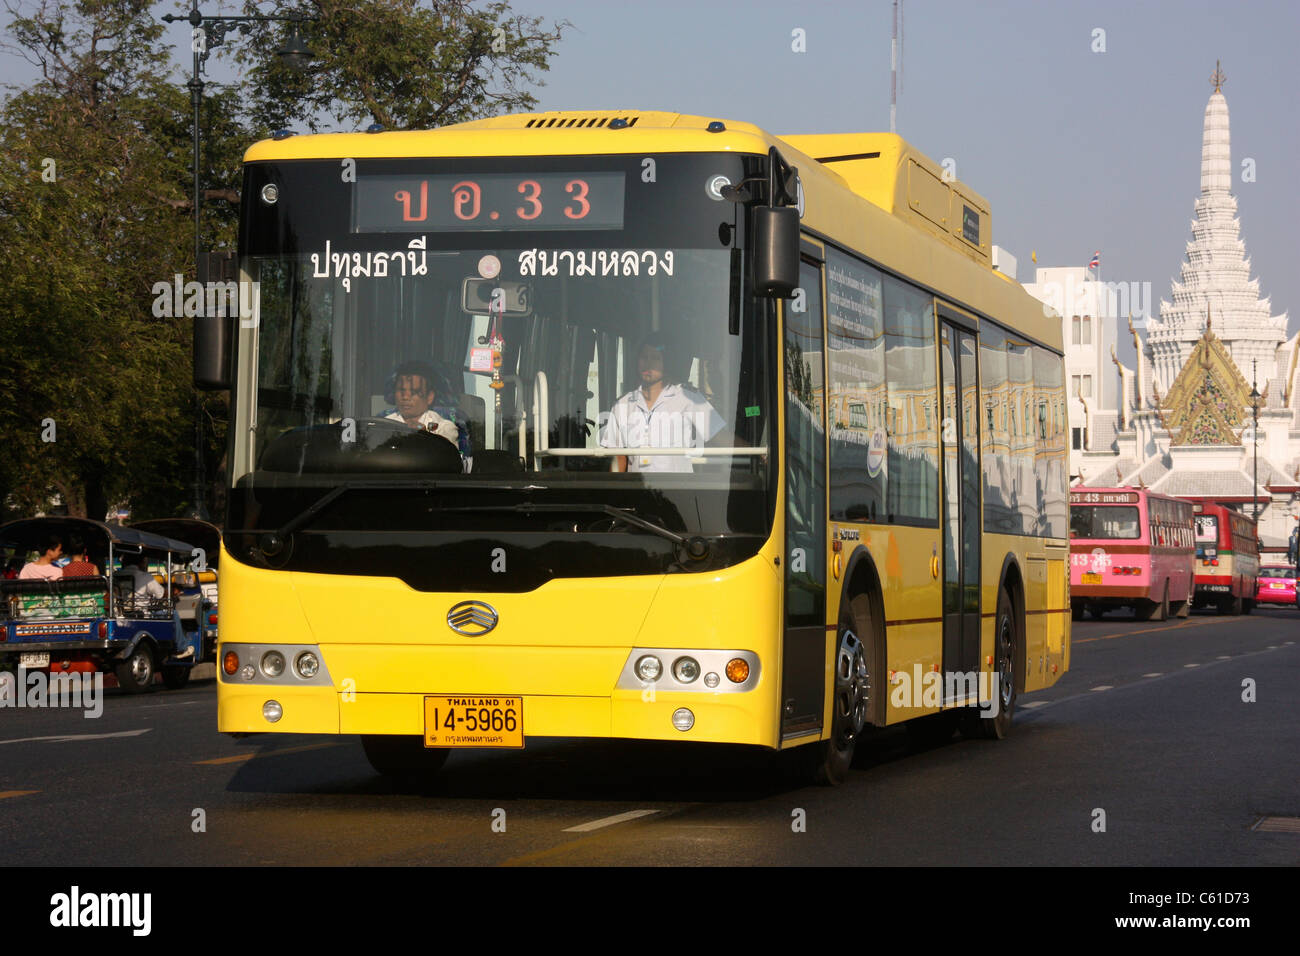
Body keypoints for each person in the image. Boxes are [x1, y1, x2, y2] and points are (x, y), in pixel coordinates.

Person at [599, 335, 727, 473]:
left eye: (655, 358)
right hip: (637, 490)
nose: (648, 364)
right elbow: (618, 457)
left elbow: (720, 437)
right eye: (644, 357)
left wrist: (752, 452)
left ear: (667, 362)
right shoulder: (622, 405)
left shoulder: (688, 398)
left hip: (676, 491)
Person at [381, 360, 473, 461]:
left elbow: (448, 460)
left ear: (429, 397)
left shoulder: (444, 427)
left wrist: (425, 436)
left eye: (414, 391)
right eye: (401, 390)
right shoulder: (383, 425)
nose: (406, 397)